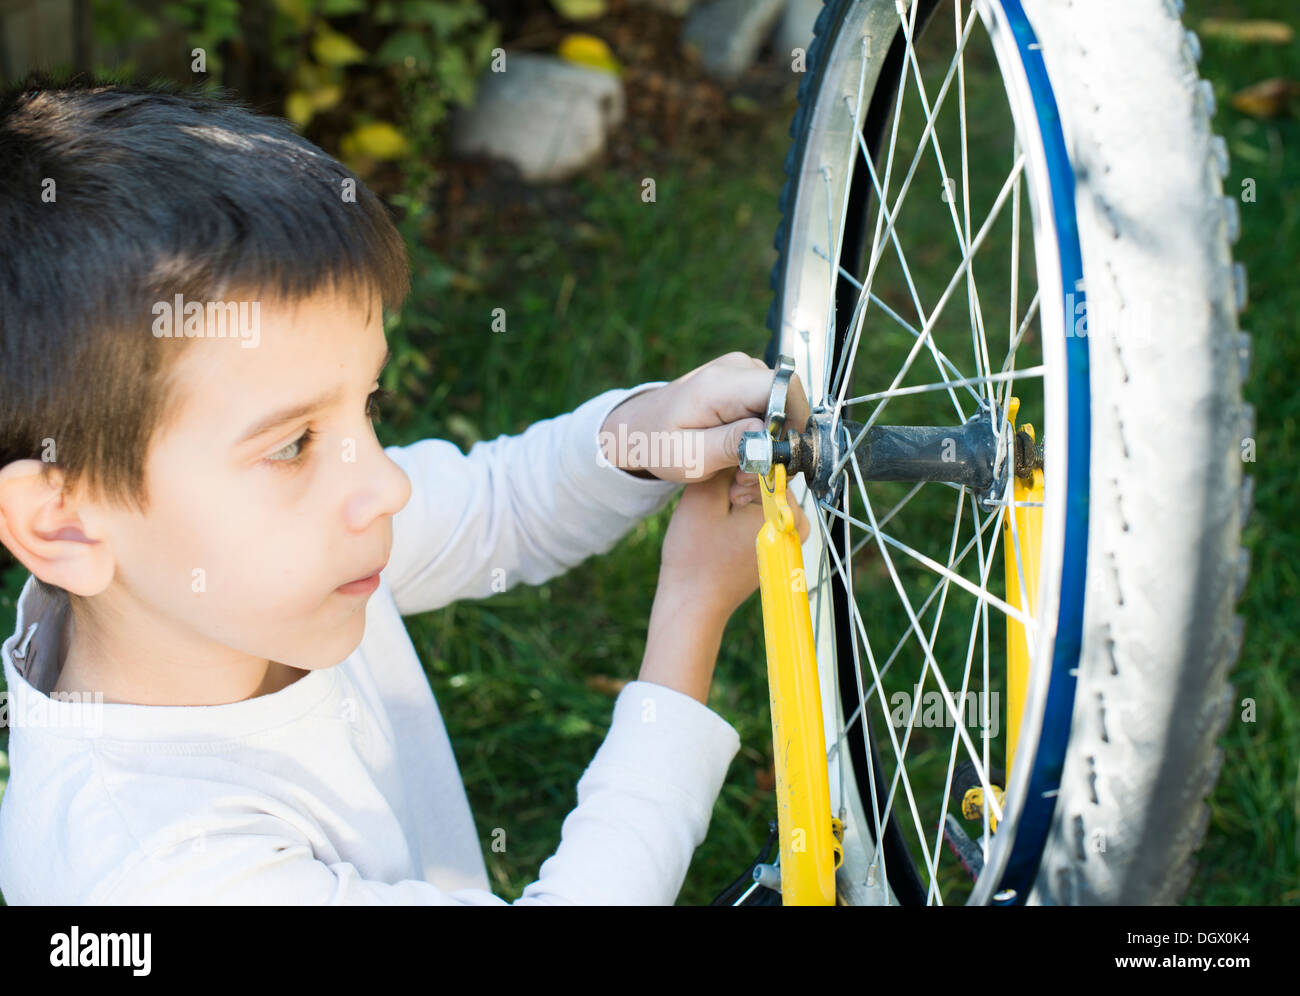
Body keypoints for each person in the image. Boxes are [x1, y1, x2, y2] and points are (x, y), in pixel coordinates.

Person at [0, 75, 808, 904]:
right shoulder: (157, 871)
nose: (384, 483)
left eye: (369, 406)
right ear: (64, 525)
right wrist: (690, 612)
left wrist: (649, 433)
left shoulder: (235, 581)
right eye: (292, 444)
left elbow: (500, 507)